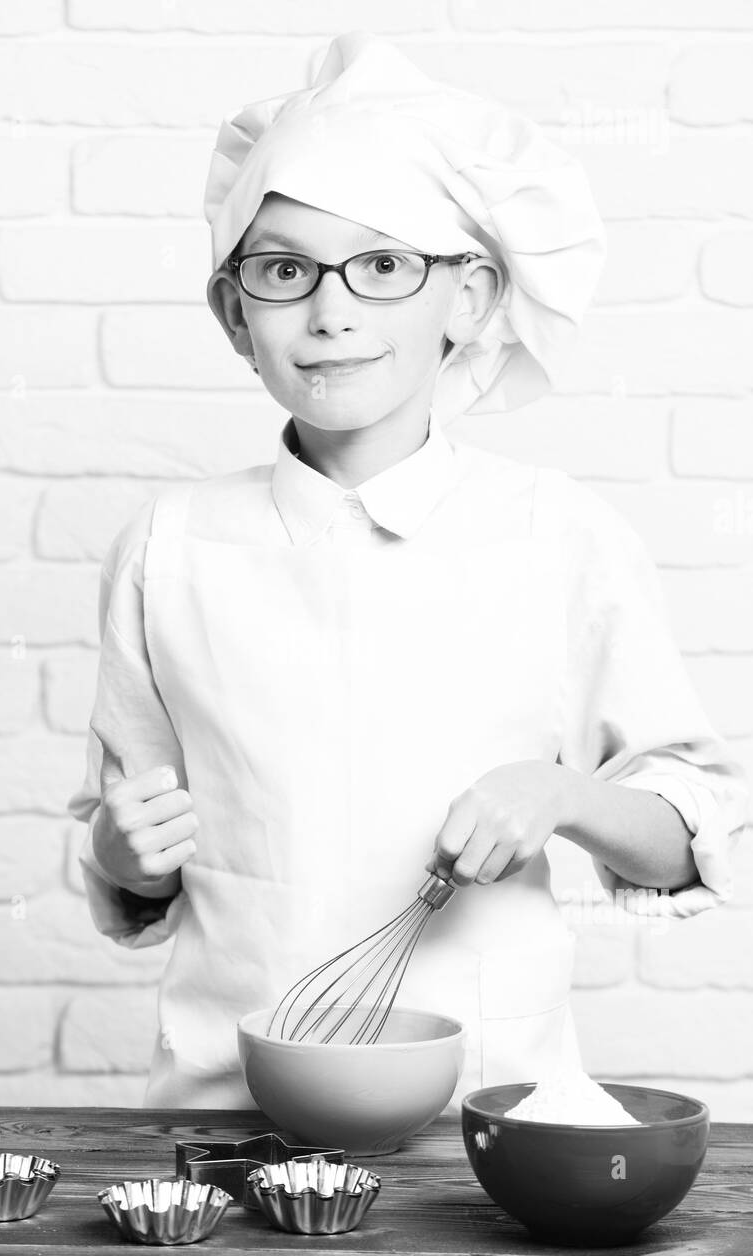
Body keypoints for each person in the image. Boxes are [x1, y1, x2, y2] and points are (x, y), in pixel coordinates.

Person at [68, 32, 749, 1109]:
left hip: (485, 1124)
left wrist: (562, 794)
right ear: (235, 312)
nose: (330, 309)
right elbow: (139, 865)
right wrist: (121, 849)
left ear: (468, 298)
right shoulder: (169, 546)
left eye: (382, 266)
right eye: (284, 268)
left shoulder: (556, 536)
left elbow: (685, 841)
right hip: (224, 1117)